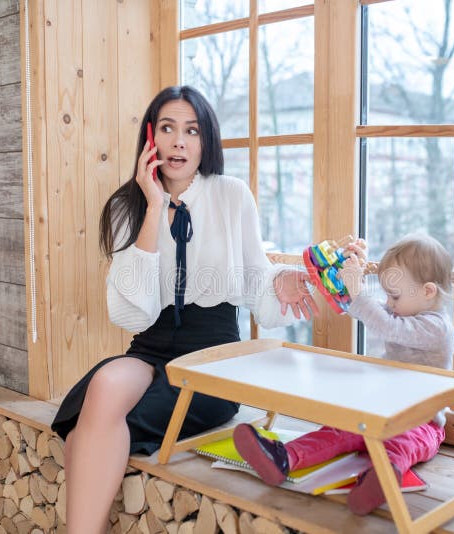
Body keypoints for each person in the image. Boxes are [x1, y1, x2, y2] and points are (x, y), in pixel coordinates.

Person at [51, 85, 319, 533]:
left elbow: (257, 277)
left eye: (191, 131)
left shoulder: (232, 195)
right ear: (150, 139)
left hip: (212, 358)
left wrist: (282, 284)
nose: (179, 142)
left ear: (206, 140)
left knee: (85, 435)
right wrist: (154, 208)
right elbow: (131, 315)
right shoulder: (127, 205)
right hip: (150, 345)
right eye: (168, 129)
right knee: (106, 383)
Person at [233, 233, 454, 515]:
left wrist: (359, 294)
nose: (388, 303)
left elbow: (386, 326)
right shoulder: (406, 312)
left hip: (422, 422)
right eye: (387, 295)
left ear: (427, 292)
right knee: (337, 432)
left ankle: (382, 478)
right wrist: (346, 285)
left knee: (403, 445)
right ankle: (284, 457)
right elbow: (370, 313)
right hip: (382, 413)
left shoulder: (437, 329)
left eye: (395, 296)